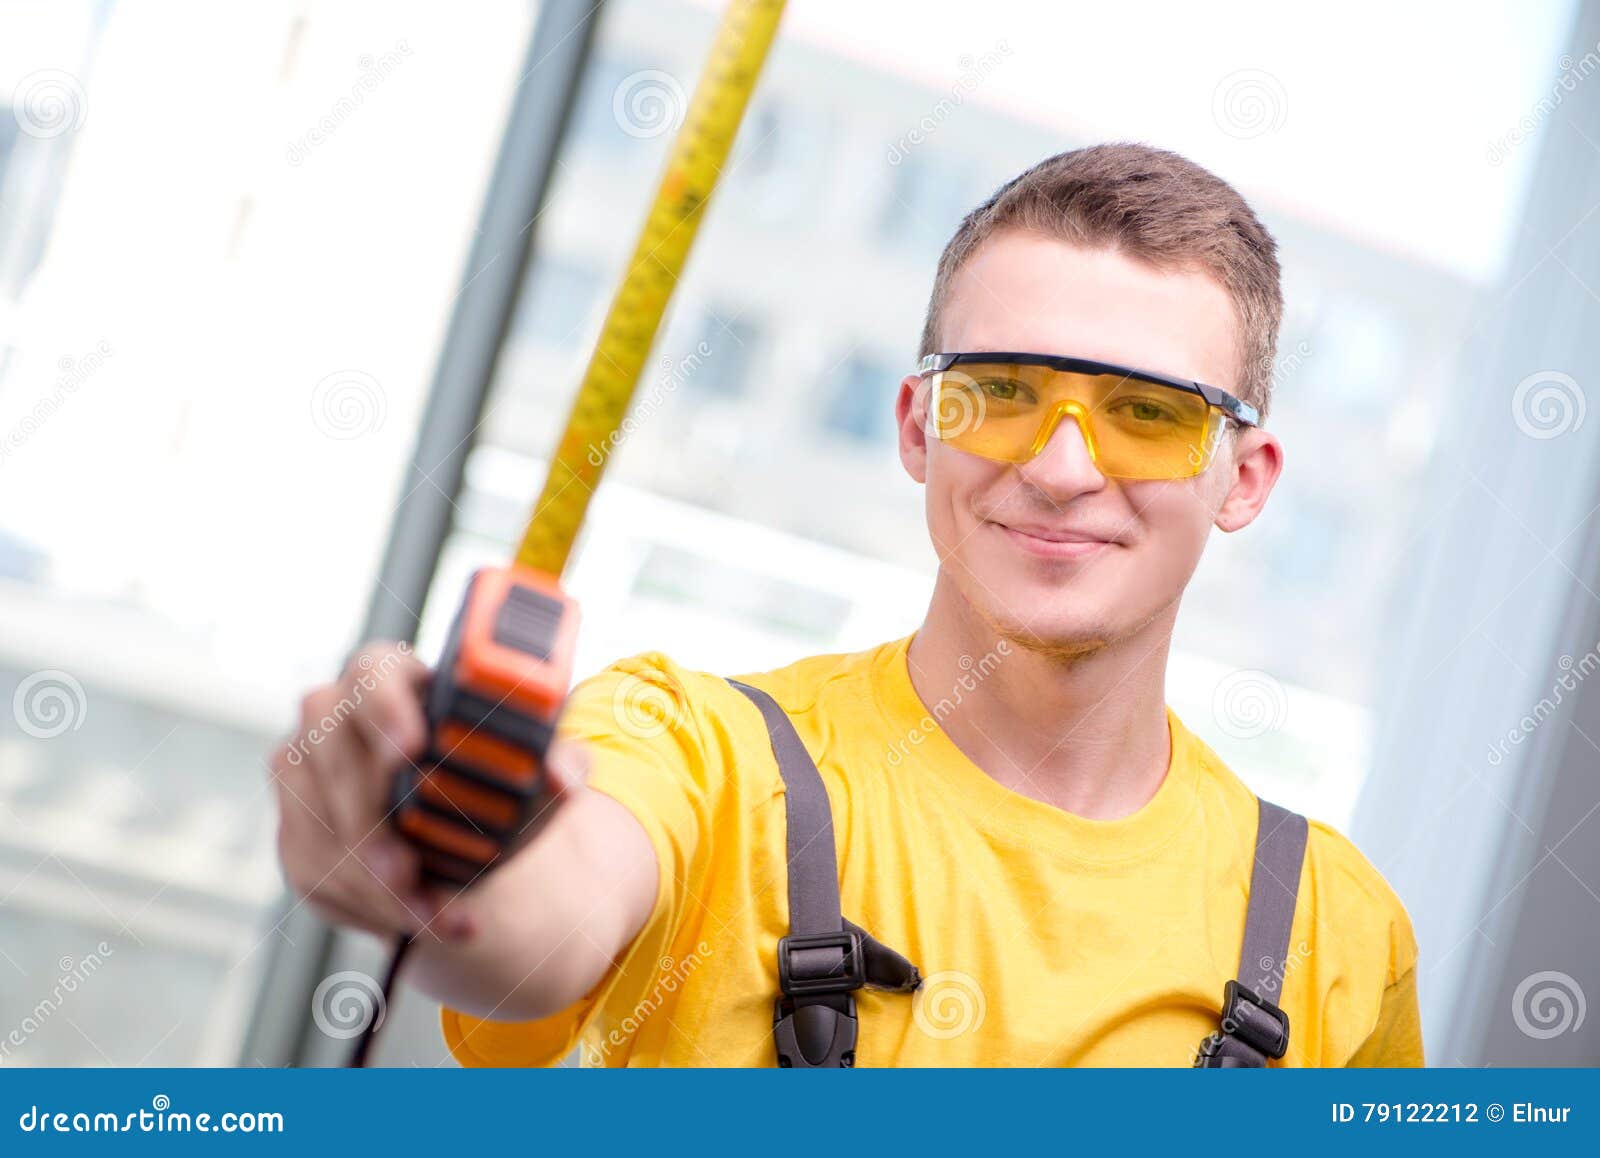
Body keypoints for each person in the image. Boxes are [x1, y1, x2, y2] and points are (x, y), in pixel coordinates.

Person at [272, 142, 1423, 1066]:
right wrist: (451, 870)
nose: (1065, 468)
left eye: (1149, 414)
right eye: (1003, 393)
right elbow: (536, 926)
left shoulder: (1335, 929)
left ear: (1245, 479)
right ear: (919, 426)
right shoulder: (701, 756)